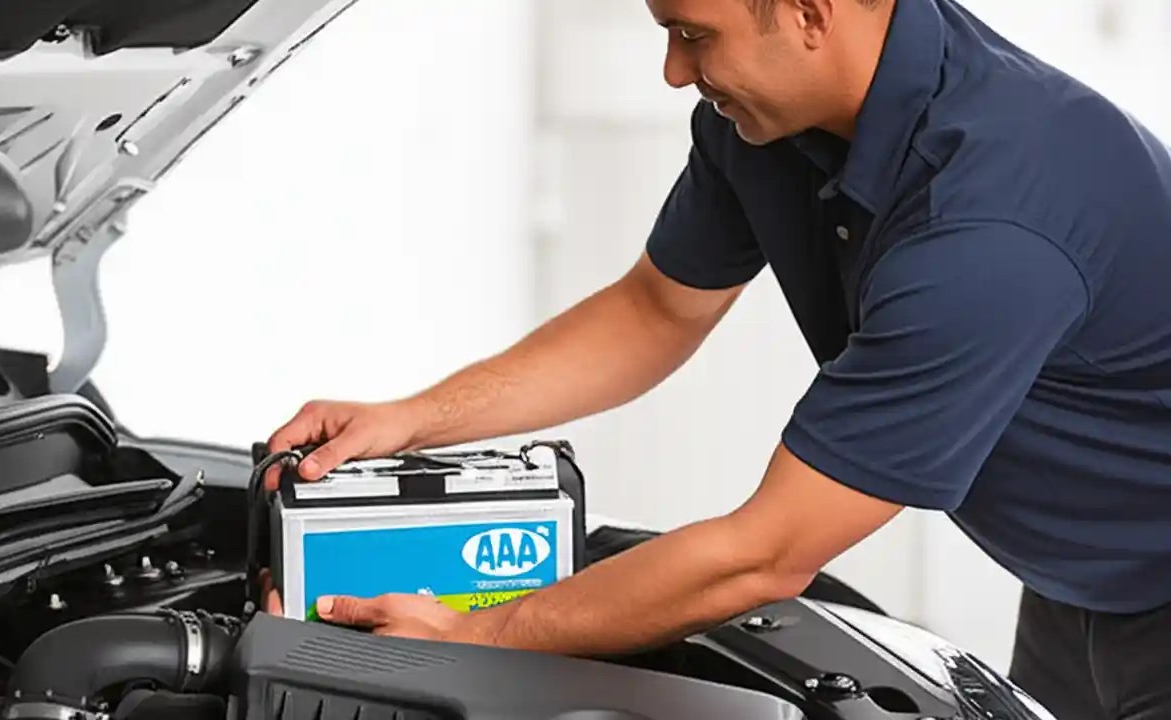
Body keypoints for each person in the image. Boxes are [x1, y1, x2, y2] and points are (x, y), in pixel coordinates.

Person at [264, 0, 1171, 717]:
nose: (673, 72)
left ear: (812, 13)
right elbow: (656, 309)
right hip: (1074, 585)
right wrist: (411, 420)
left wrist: (481, 637)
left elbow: (765, 553)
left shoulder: (989, 227)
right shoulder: (773, 121)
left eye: (693, 36)